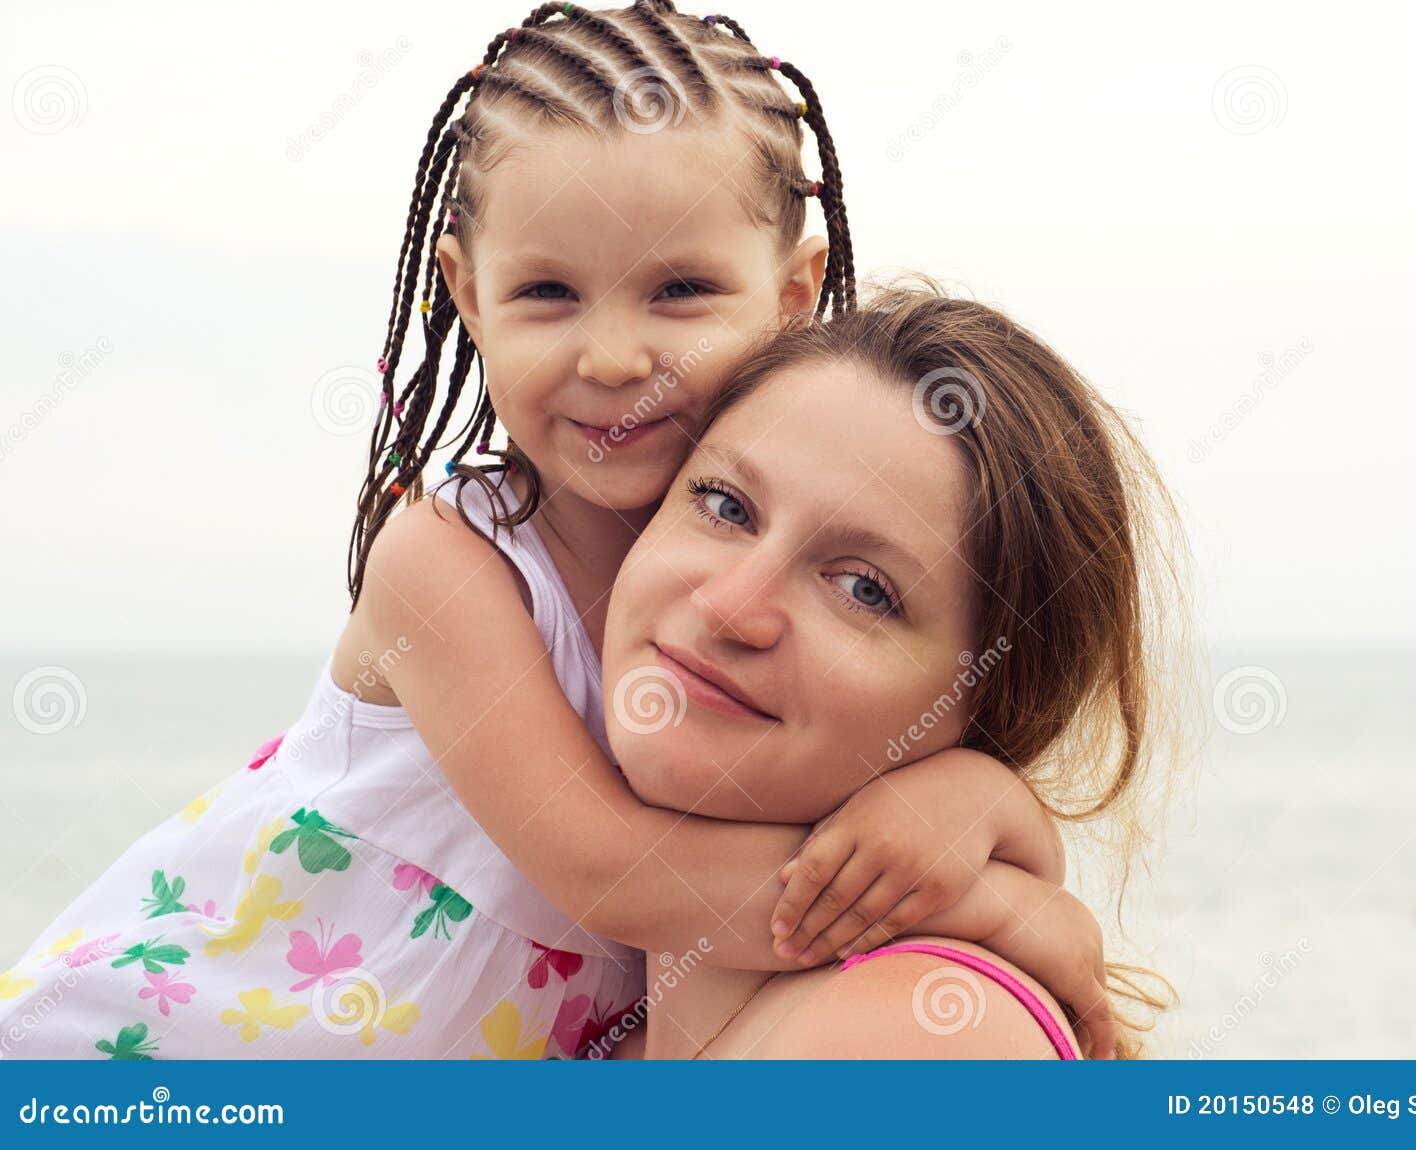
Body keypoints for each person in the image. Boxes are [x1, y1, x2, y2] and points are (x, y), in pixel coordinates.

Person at [0, 4, 1113, 1060]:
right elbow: (614, 877)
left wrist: (978, 803)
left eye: (679, 289)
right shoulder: (449, 562)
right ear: (468, 296)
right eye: (546, 293)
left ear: (791, 294)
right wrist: (998, 905)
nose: (613, 358)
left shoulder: (732, 594)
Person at [588, 286, 1184, 1058]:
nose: (730, 608)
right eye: (727, 506)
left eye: (865, 589)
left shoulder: (918, 1033)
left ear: (988, 703)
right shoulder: (597, 1020)